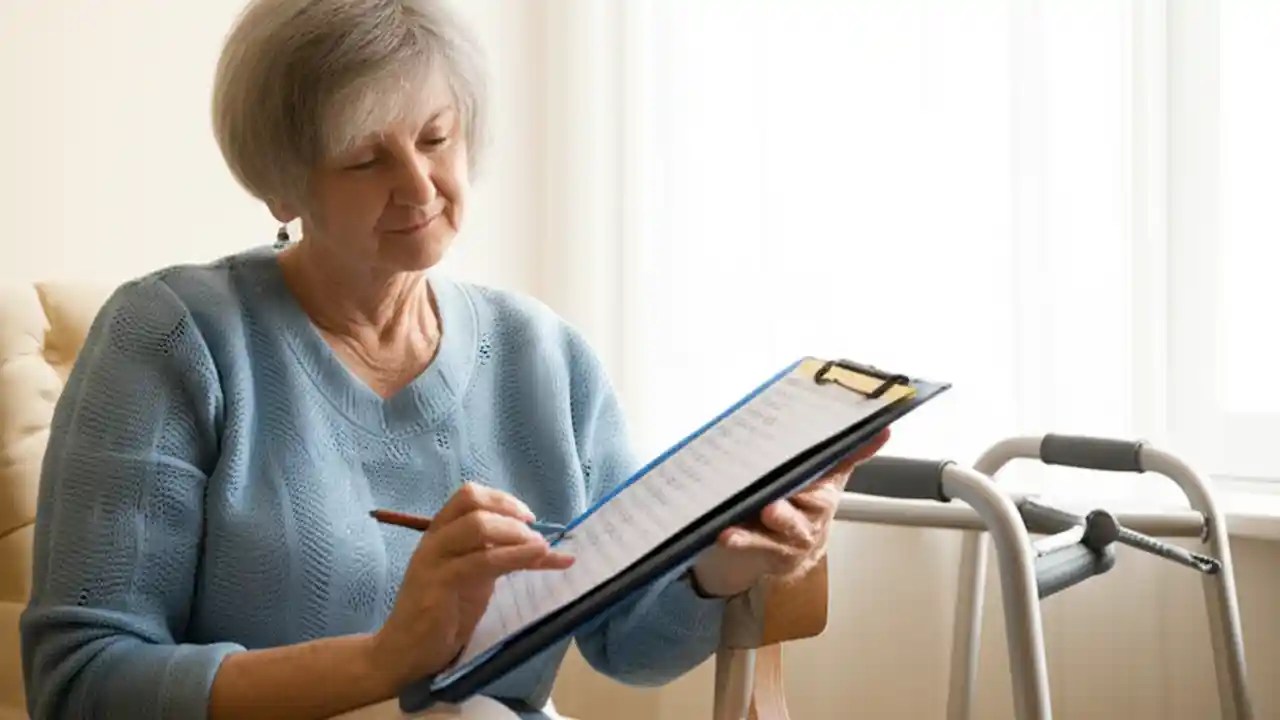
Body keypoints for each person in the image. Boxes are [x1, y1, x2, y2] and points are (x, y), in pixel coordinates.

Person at [19, 1, 888, 718]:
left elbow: (626, 641)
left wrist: (729, 560)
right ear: (281, 183)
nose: (421, 186)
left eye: (436, 139)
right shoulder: (170, 338)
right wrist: (390, 659)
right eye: (367, 156)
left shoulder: (542, 356)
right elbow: (83, 680)